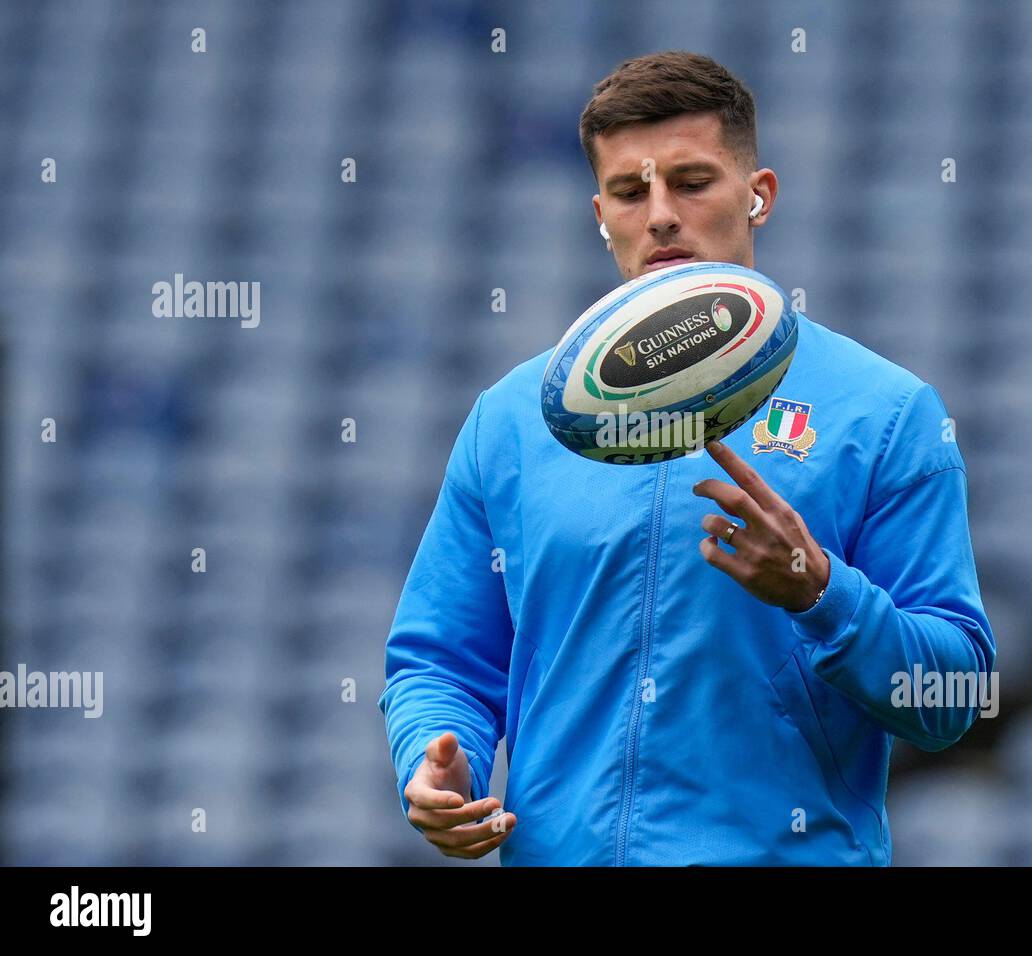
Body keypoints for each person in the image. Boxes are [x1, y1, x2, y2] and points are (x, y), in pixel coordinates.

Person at [379, 50, 996, 865]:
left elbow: (954, 694)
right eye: (632, 193)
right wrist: (432, 756)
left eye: (692, 181)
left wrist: (820, 591)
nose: (661, 214)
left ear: (758, 195)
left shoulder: (883, 412)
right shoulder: (511, 421)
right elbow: (442, 656)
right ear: (601, 213)